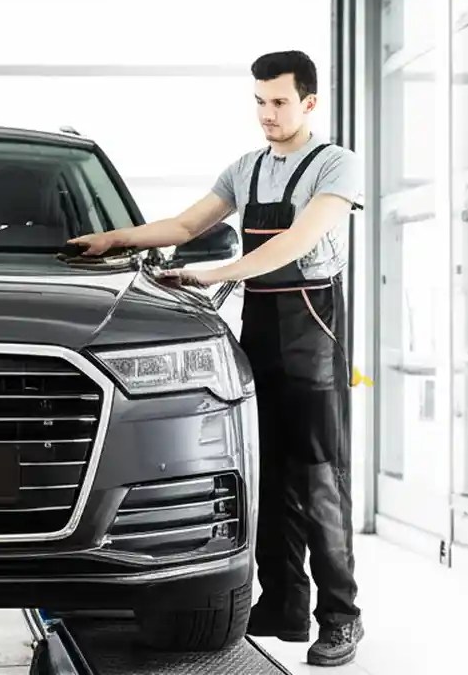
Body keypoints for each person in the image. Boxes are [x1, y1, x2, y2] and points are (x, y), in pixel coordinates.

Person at [69, 50, 364, 667]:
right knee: (266, 472)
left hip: (313, 335)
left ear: (309, 102)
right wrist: (114, 239)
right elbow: (185, 225)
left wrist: (217, 273)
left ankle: (341, 617)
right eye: (259, 101)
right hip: (260, 331)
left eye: (279, 102)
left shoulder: (335, 165)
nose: (267, 113)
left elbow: (297, 241)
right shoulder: (247, 169)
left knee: (319, 477)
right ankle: (283, 603)